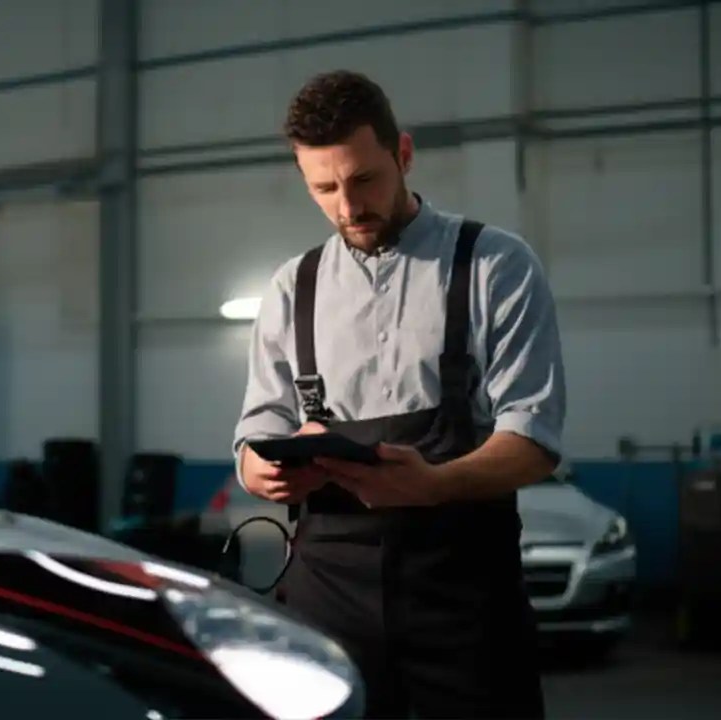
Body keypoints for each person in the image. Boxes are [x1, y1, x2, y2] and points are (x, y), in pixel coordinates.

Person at [232, 70, 566, 719]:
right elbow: (253, 431)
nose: (347, 206)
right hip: (326, 597)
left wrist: (433, 483)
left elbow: (535, 439)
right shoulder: (289, 289)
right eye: (323, 188)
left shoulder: (494, 266)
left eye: (364, 180)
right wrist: (262, 470)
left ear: (403, 154)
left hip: (463, 602)